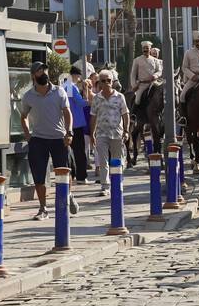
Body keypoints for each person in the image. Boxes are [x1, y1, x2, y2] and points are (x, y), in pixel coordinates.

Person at [20, 61, 76, 220]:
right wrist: (28, 135)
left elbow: (67, 112)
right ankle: (43, 208)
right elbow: (23, 116)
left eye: (45, 70)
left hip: (59, 138)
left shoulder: (59, 91)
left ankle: (68, 196)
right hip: (38, 140)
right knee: (38, 176)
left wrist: (69, 132)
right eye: (39, 71)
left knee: (64, 172)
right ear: (33, 76)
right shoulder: (28, 96)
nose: (44, 73)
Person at [89, 69, 131, 198]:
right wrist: (92, 134)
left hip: (117, 133)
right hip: (101, 133)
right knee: (103, 161)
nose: (107, 83)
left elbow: (125, 114)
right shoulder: (96, 98)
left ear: (112, 82)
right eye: (104, 81)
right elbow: (93, 117)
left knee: (116, 161)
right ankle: (105, 186)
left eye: (109, 80)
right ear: (100, 83)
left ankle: (117, 182)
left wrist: (126, 130)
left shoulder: (120, 97)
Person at [65, 65, 91, 185]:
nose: (80, 79)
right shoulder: (71, 87)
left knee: (70, 151)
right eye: (79, 77)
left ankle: (73, 174)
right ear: (76, 75)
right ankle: (81, 176)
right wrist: (89, 101)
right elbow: (80, 102)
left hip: (68, 123)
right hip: (76, 123)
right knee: (79, 151)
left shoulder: (65, 86)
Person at [129, 41, 162, 106]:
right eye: (144, 48)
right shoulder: (137, 60)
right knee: (137, 100)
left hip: (154, 84)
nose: (145, 50)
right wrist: (134, 85)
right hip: (142, 85)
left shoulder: (155, 60)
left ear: (150, 49)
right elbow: (133, 75)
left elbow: (159, 71)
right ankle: (134, 112)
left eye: (147, 48)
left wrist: (155, 76)